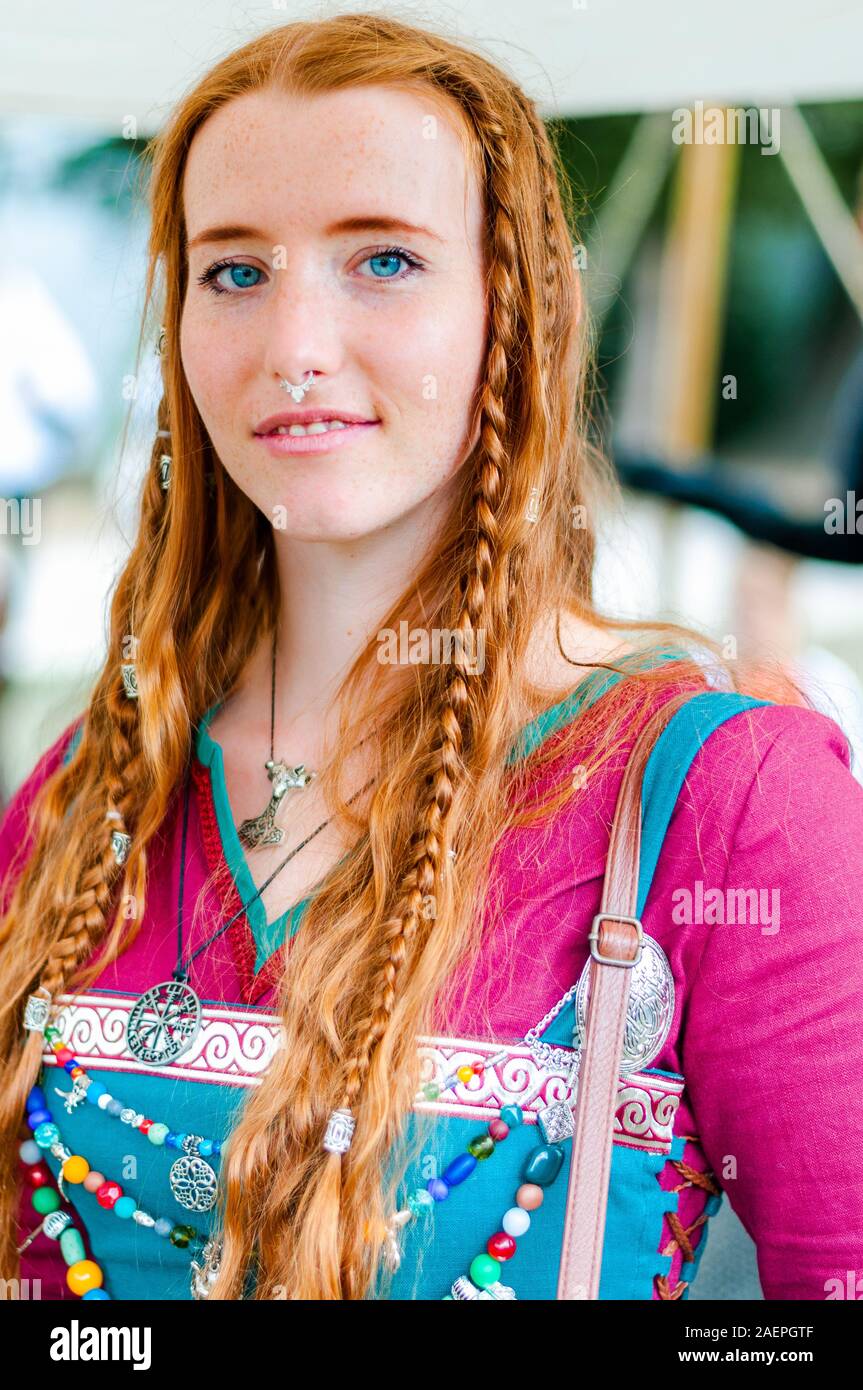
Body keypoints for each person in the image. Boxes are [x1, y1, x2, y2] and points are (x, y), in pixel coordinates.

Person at [1, 13, 862, 1303]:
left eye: (385, 261)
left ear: (519, 310)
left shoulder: (731, 803)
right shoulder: (89, 787)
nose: (294, 344)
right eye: (234, 270)